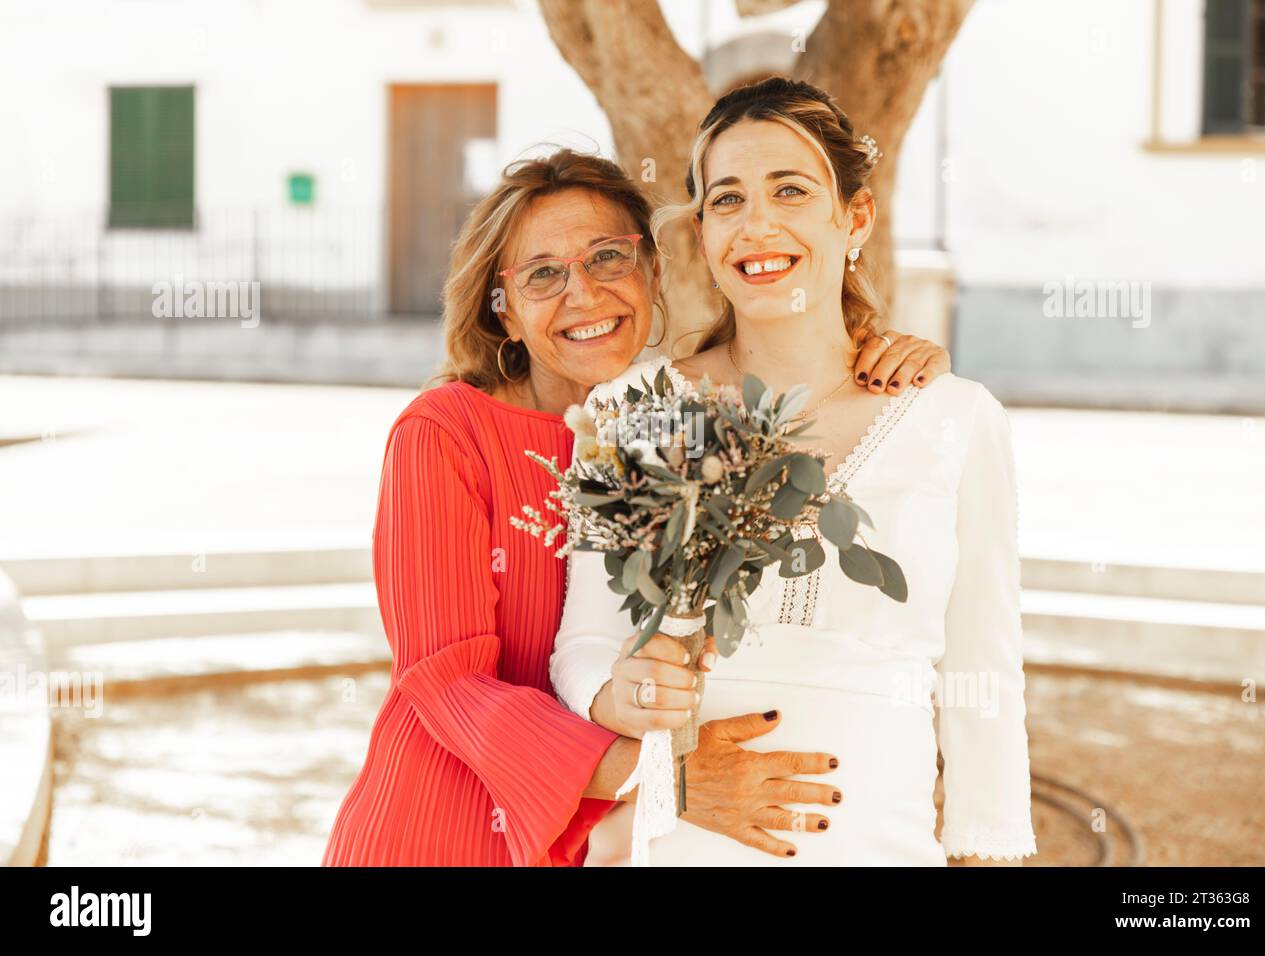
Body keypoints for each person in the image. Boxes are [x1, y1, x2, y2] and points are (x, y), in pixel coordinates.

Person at [321, 144, 952, 865]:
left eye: (607, 259)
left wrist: (891, 360)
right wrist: (663, 780)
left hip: (599, 843)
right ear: (503, 314)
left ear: (653, 271)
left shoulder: (676, 422)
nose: (584, 295)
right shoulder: (443, 435)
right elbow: (448, 681)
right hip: (440, 830)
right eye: (543, 275)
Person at [551, 77, 1037, 866]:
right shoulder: (636, 408)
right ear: (703, 232)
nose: (758, 224)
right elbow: (584, 644)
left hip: (883, 840)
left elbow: (984, 670)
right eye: (729, 200)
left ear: (856, 218)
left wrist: (987, 850)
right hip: (689, 843)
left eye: (791, 190)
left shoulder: (957, 419)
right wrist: (627, 694)